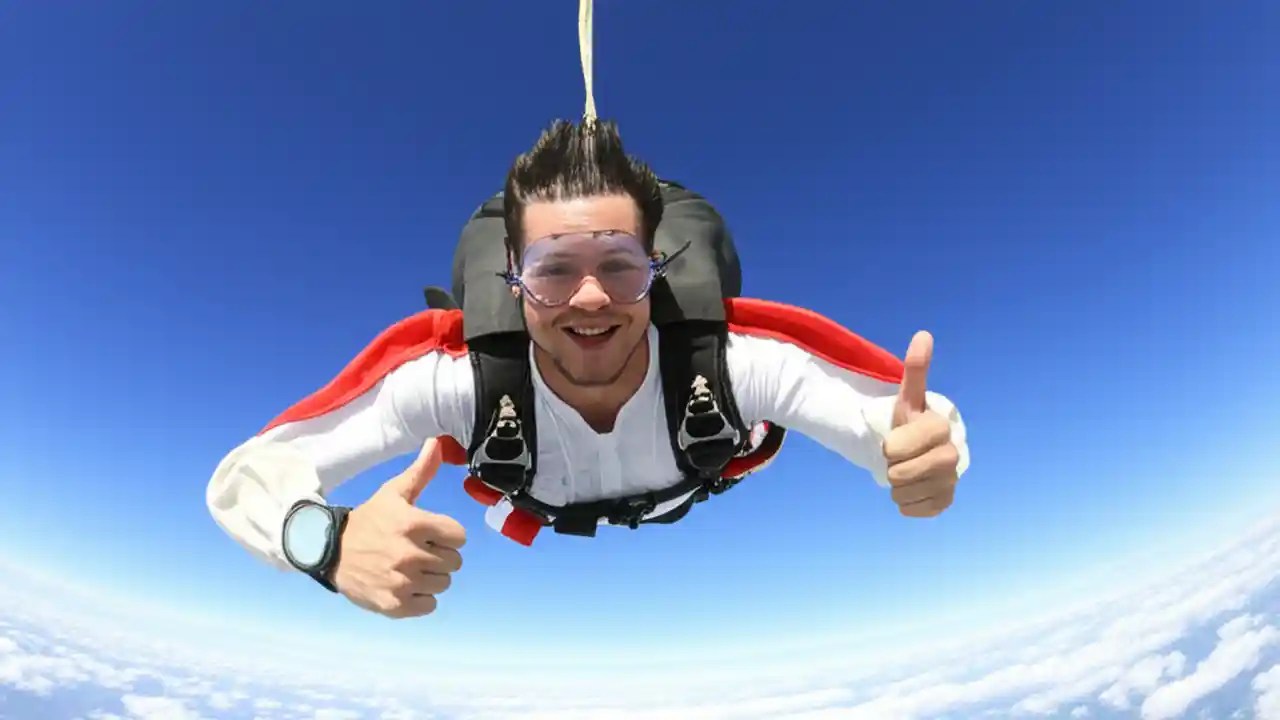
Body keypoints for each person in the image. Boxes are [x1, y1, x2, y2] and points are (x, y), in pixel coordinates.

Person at [205, 118, 972, 619]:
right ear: (512, 280)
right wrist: (328, 545)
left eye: (621, 264)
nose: (592, 297)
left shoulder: (736, 362)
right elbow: (248, 475)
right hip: (595, 485)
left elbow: (905, 423)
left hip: (674, 472)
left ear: (658, 269)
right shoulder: (452, 380)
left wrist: (923, 458)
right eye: (553, 270)